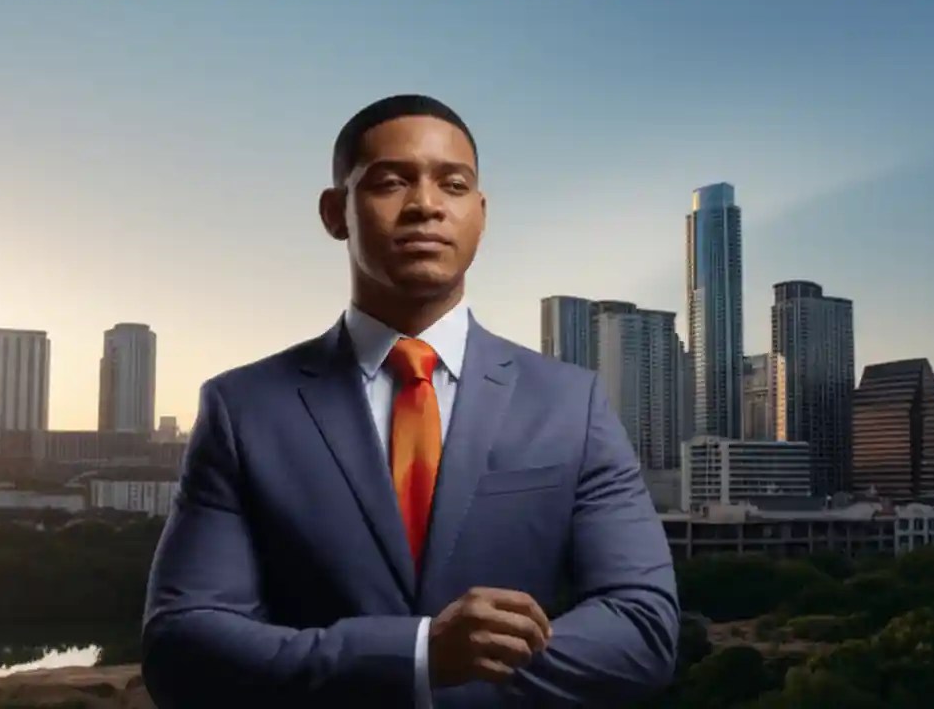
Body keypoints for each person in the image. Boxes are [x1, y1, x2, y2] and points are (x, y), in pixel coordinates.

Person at [141, 94, 679, 708]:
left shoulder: (570, 403)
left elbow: (643, 628)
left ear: (481, 213)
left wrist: (458, 665)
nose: (426, 205)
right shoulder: (244, 409)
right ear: (334, 212)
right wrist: (419, 656)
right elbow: (183, 645)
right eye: (391, 182)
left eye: (453, 184)